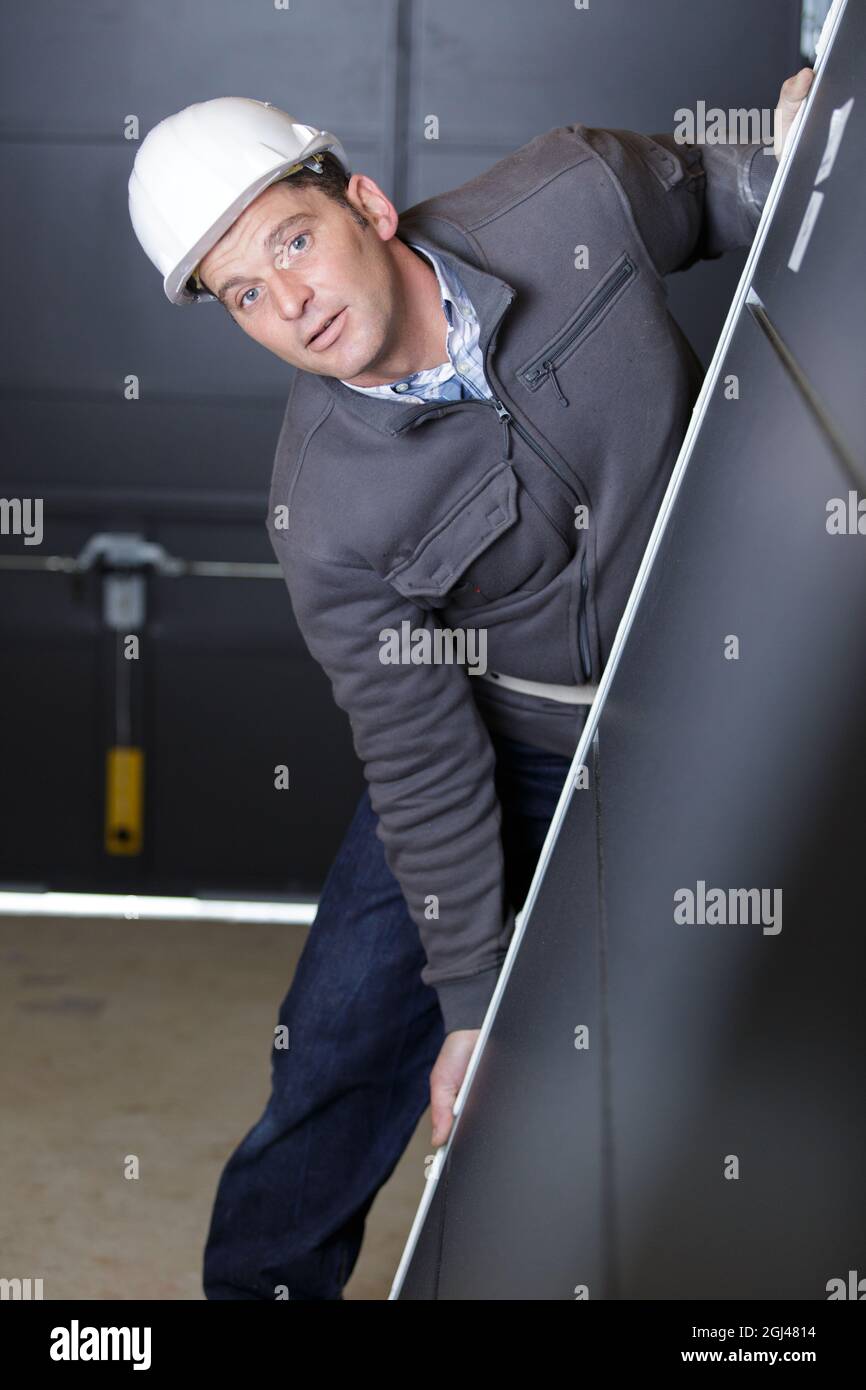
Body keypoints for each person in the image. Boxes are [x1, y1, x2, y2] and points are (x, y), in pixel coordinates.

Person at [127, 69, 813, 1299]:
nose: (290, 299)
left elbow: (728, 194)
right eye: (244, 291)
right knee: (335, 1055)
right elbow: (418, 751)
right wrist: (470, 1001)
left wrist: (811, 152)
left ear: (369, 205)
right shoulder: (324, 512)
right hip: (516, 748)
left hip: (719, 699)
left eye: (293, 239)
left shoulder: (570, 195)